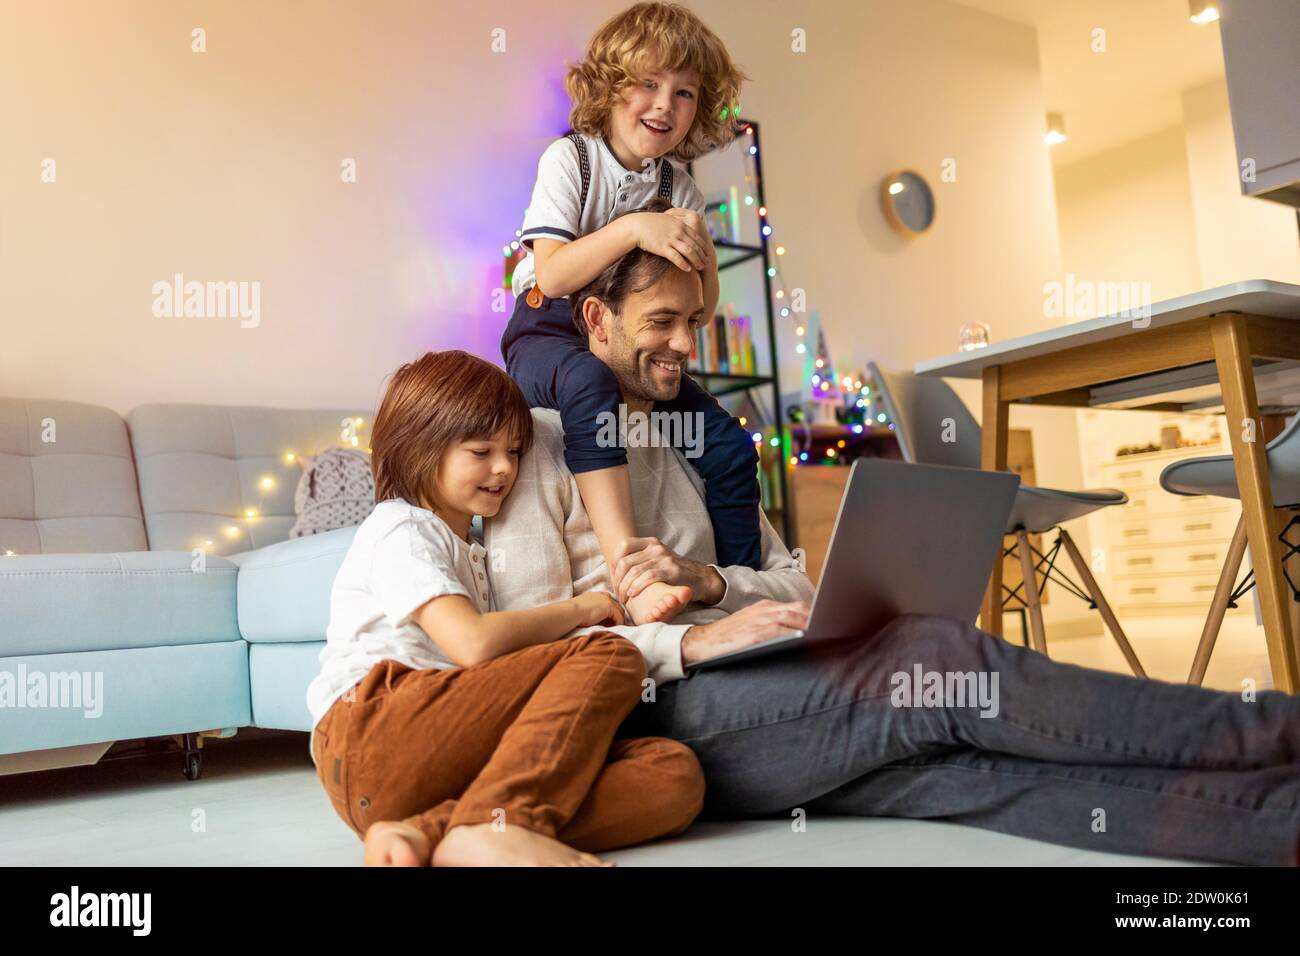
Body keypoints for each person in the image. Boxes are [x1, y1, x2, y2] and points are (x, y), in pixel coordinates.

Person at [487, 207, 1300, 866]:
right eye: (662, 321)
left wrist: (708, 584)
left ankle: (1278, 821)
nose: (686, 348)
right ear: (595, 319)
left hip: (765, 687)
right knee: (935, 662)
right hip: (662, 714)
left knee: (965, 776)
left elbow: (790, 584)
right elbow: (531, 663)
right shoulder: (535, 449)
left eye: (696, 322)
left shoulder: (701, 447)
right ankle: (1273, 731)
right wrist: (688, 643)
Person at [305, 350, 704, 867]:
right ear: (419, 448)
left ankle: (433, 834)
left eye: (514, 452)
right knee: (610, 654)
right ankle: (504, 824)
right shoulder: (400, 527)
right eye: (481, 451)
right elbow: (472, 643)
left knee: (673, 773)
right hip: (372, 729)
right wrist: (585, 608)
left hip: (426, 773)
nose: (504, 469)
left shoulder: (472, 546)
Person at [502, 1, 761, 627]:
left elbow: (703, 306)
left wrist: (699, 249)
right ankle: (629, 568)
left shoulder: (681, 186)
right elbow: (557, 273)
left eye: (685, 93)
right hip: (548, 331)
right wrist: (635, 228)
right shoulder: (571, 160)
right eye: (648, 83)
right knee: (590, 386)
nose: (664, 104)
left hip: (628, 342)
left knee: (727, 442)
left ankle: (738, 588)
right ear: (610, 87)